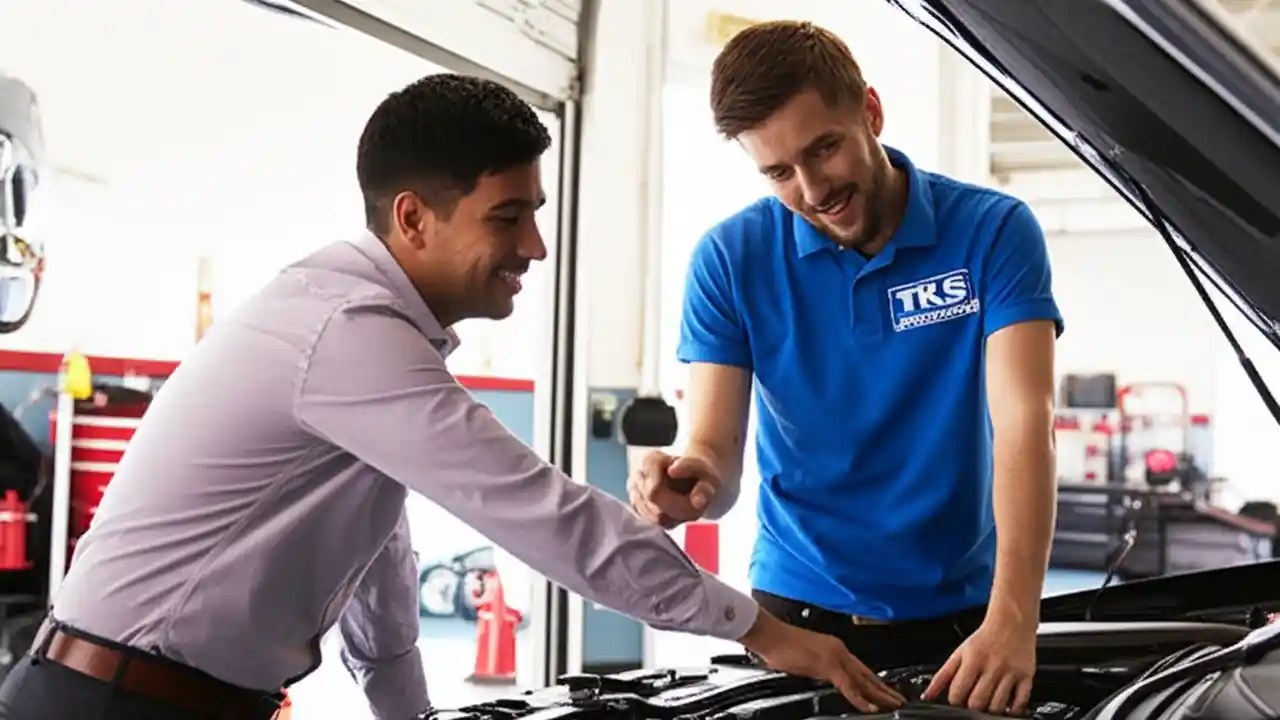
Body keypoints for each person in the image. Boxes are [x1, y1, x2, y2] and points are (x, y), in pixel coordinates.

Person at [0, 74, 906, 719]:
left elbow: (376, 548)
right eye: (507, 217)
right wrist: (759, 630)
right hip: (109, 703)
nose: (535, 247)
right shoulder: (345, 332)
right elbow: (546, 517)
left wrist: (409, 713)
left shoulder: (364, 338)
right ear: (412, 219)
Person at [628, 20, 1062, 718]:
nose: (811, 190)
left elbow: (1024, 422)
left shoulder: (992, 231)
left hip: (964, 621)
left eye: (822, 149)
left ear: (871, 111)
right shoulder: (729, 260)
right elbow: (716, 453)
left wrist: (1016, 615)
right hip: (797, 620)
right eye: (777, 172)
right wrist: (691, 482)